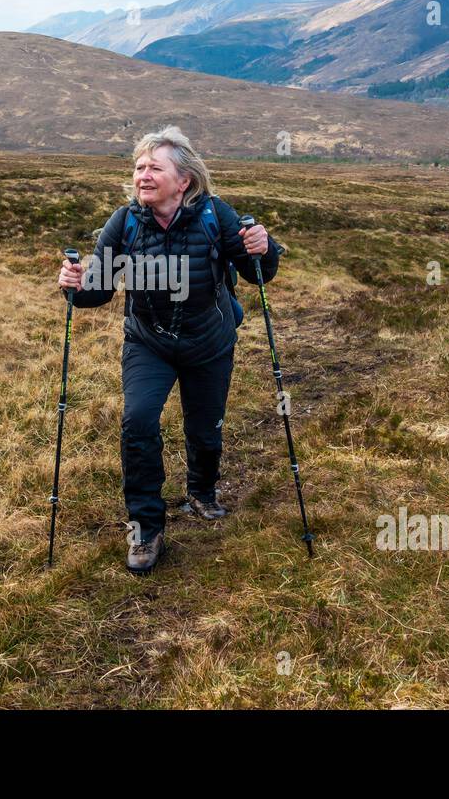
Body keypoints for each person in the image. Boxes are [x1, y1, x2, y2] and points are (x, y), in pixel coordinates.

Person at [57, 125, 282, 574]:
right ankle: (145, 526)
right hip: (148, 342)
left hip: (209, 341)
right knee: (138, 422)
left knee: (205, 429)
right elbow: (97, 292)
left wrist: (265, 248)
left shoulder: (216, 215)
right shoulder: (123, 223)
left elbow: (258, 274)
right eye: (139, 167)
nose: (143, 175)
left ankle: (201, 491)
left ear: (184, 180)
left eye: (154, 167)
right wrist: (74, 287)